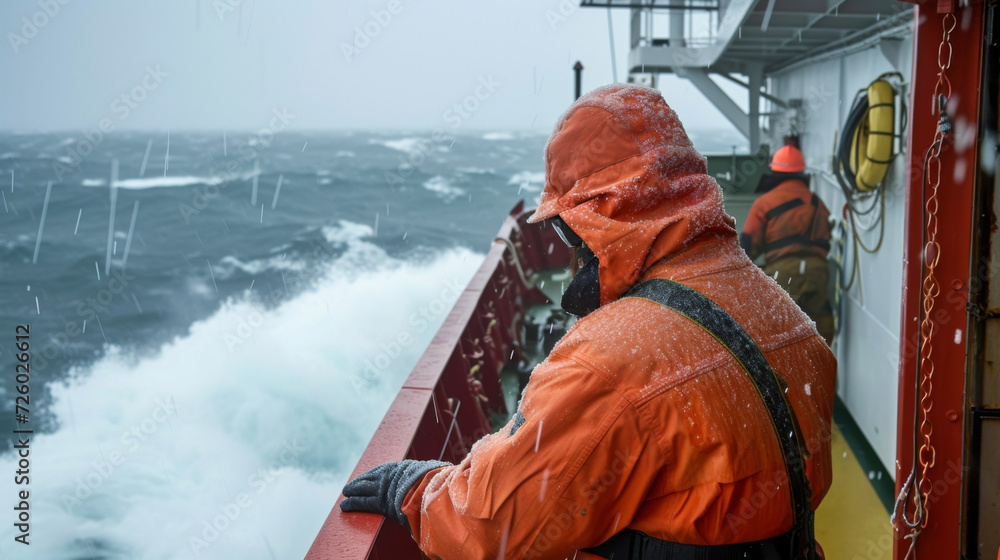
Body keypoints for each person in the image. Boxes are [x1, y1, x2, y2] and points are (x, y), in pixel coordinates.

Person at [340, 84, 836, 560]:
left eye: (565, 228)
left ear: (592, 221)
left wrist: (414, 489)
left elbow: (492, 527)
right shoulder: (783, 313)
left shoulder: (607, 360)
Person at [740, 145, 835, 344]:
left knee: (780, 336)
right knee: (820, 336)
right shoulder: (818, 203)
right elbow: (826, 241)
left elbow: (747, 248)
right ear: (801, 172)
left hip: (783, 273)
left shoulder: (764, 203)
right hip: (818, 273)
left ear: (774, 172)